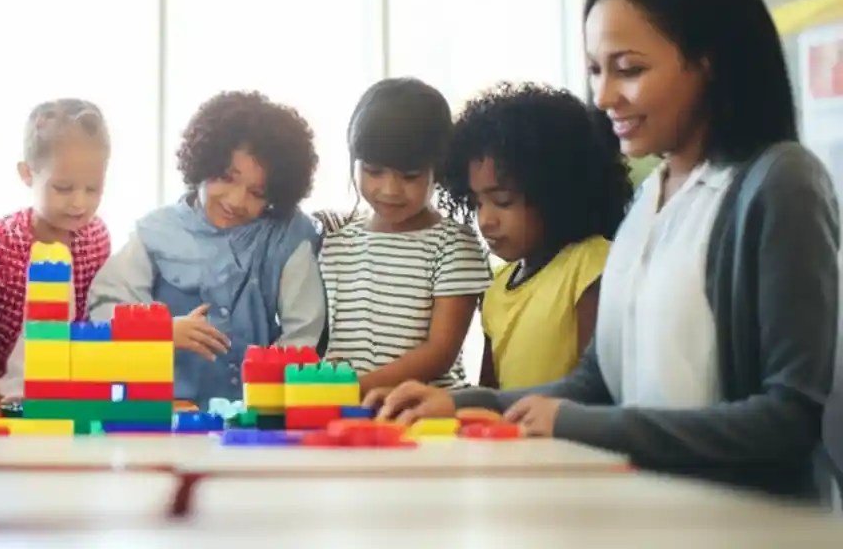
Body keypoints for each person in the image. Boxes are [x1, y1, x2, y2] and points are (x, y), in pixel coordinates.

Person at [371, 0, 839, 501]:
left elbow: (788, 419)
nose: (604, 95)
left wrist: (573, 423)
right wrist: (469, 403)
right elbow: (599, 383)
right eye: (596, 69)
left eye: (630, 69)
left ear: (708, 62)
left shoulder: (779, 181)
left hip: (750, 525)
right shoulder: (651, 199)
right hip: (651, 513)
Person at [87, 90, 325, 404]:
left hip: (254, 421)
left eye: (257, 192)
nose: (236, 201)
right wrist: (159, 333)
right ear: (201, 165)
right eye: (226, 178)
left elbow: (303, 334)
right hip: (169, 414)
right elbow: (106, 312)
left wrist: (270, 401)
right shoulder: (156, 232)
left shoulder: (289, 236)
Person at [439, 82, 632, 389]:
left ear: (554, 192)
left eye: (503, 201)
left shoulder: (591, 265)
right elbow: (489, 398)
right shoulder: (496, 288)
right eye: (476, 203)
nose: (485, 220)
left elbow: (599, 389)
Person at [318, 78, 492, 396]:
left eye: (410, 176)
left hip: (422, 414)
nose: (390, 190)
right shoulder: (333, 234)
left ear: (437, 171)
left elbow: (439, 354)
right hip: (343, 414)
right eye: (373, 171)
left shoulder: (453, 245)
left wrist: (352, 391)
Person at [0, 99, 112, 419]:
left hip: (68, 404)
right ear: (27, 174)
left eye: (93, 189)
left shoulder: (97, 238)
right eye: (63, 188)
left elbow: (97, 319)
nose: (79, 203)